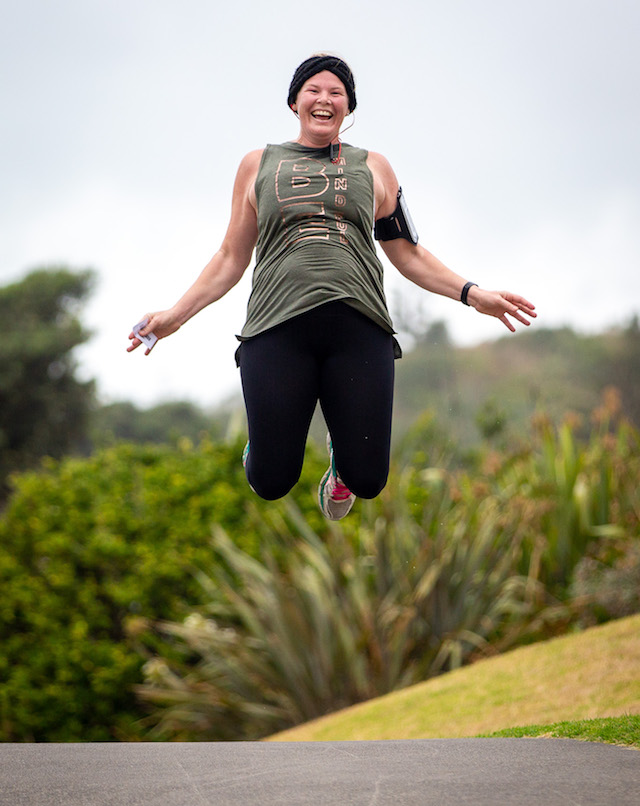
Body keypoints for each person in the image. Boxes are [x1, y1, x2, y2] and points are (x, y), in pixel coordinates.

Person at [127, 54, 536, 520]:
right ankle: (262, 444)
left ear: (348, 107)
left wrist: (473, 293)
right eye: (314, 91)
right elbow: (229, 258)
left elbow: (408, 252)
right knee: (270, 481)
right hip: (276, 327)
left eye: (336, 93)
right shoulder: (258, 164)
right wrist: (174, 316)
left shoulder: (374, 167)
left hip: (358, 324)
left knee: (368, 480)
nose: (324, 99)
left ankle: (340, 465)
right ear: (295, 102)